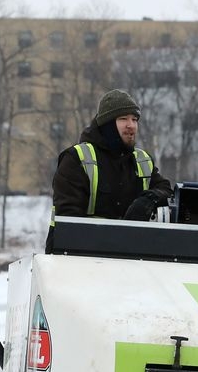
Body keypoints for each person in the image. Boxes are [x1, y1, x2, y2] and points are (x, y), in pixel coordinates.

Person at [45, 89, 173, 252]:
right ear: (107, 125)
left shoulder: (143, 160)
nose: (131, 125)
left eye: (134, 119)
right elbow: (70, 222)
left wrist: (148, 199)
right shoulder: (77, 159)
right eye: (123, 119)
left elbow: (168, 191)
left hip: (128, 259)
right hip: (75, 259)